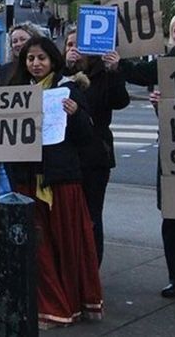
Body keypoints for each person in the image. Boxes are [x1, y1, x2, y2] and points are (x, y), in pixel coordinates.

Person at [4, 36, 102, 328]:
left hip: (60, 180)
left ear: (53, 61)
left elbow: (86, 137)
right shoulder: (16, 93)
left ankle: (72, 304)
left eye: (41, 58)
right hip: (27, 179)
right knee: (39, 248)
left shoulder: (68, 89)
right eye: (31, 59)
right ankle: (52, 306)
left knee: (66, 244)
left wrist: (76, 115)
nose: (36, 64)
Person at [118, 11, 175, 299]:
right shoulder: (166, 64)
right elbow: (140, 73)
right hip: (173, 150)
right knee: (172, 217)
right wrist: (118, 63)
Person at [63, 26, 129, 265]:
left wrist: (114, 71)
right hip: (65, 155)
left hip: (94, 156)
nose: (74, 51)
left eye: (78, 46)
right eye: (69, 46)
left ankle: (91, 267)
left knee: (91, 215)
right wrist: (65, 68)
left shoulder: (102, 74)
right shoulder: (61, 74)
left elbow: (119, 101)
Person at [0, 22, 43, 86]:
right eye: (14, 41)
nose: (18, 44)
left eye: (23, 39)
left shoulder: (45, 67)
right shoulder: (4, 71)